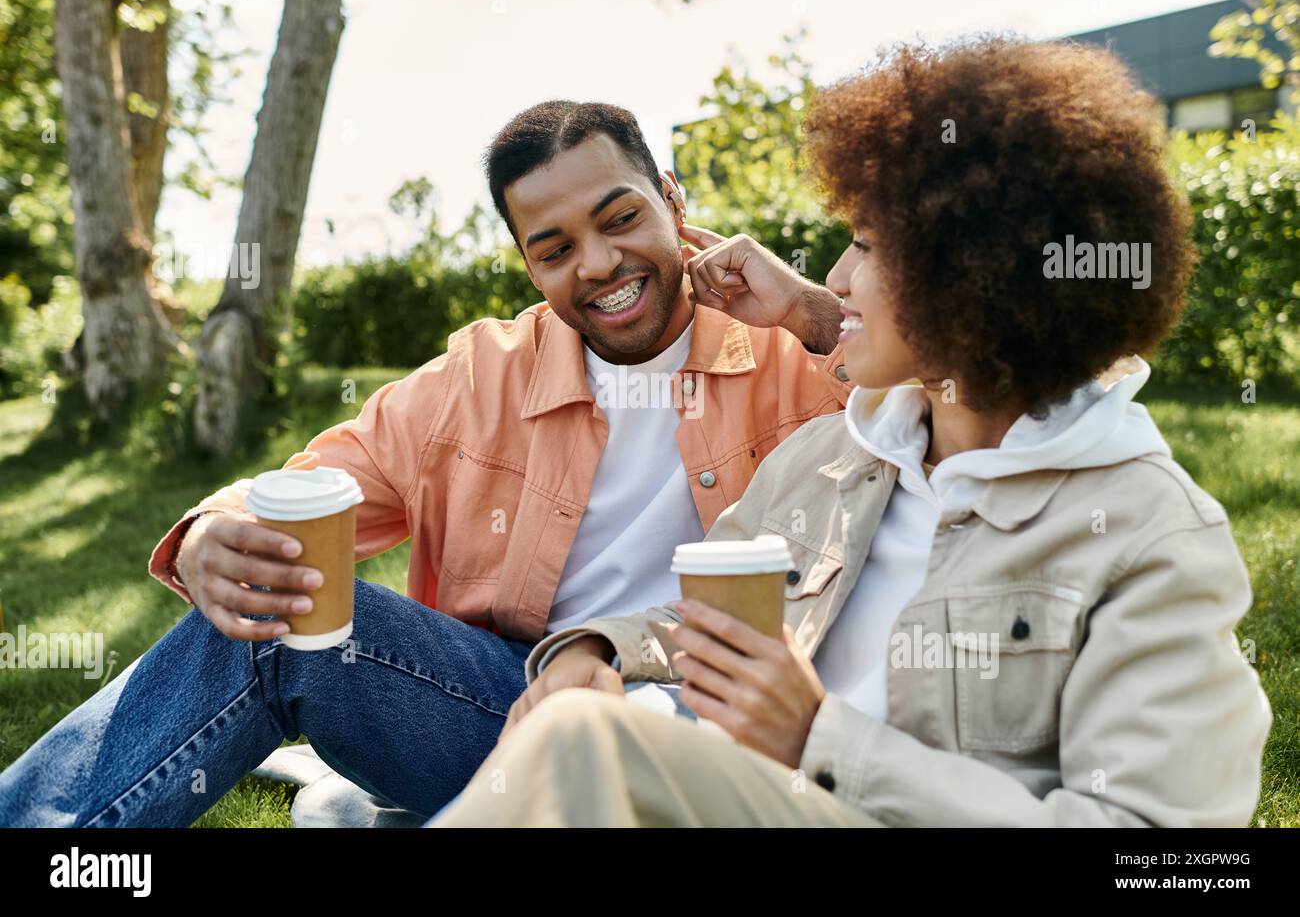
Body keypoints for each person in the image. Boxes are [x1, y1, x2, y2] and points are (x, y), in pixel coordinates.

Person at [429, 37, 1274, 828]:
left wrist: (821, 739)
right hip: (746, 795)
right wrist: (596, 650)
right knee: (580, 726)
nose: (836, 276)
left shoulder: (1147, 536)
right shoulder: (834, 456)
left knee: (588, 749)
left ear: (977, 279)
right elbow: (705, 622)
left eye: (866, 246)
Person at [0, 102, 852, 827]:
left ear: (673, 199)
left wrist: (816, 314)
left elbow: (968, 415)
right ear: (528, 262)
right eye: (553, 249)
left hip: (724, 739)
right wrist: (213, 534)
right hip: (512, 721)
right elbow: (313, 488)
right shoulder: (479, 377)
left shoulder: (799, 344)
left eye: (621, 218)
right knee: (287, 619)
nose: (597, 265)